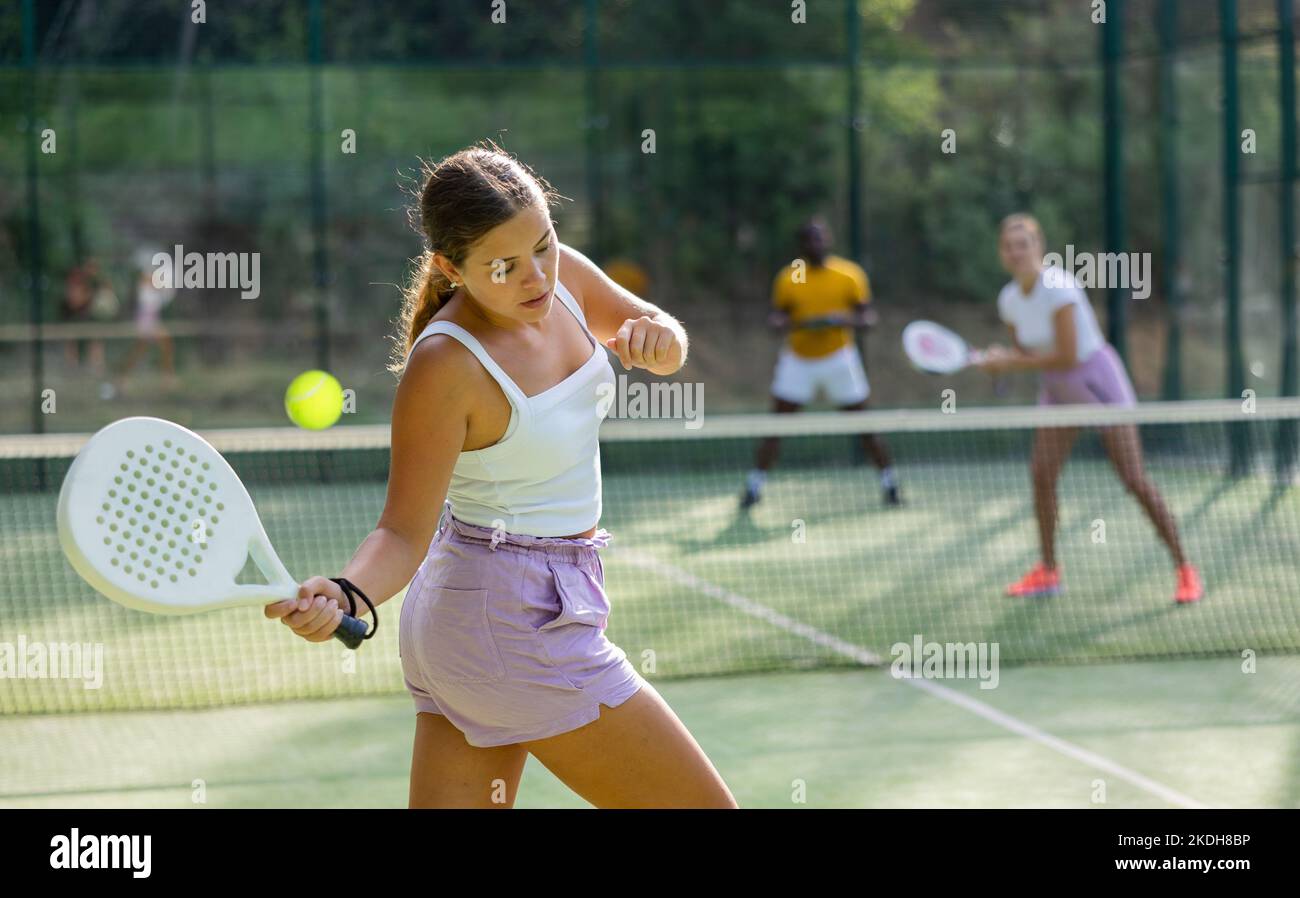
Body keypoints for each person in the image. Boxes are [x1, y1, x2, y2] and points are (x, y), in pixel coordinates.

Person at [265, 142, 737, 809]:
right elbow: (402, 533)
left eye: (543, 245)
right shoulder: (446, 368)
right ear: (450, 269)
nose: (536, 278)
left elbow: (655, 329)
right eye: (505, 267)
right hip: (510, 622)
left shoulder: (564, 276)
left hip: (484, 620)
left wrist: (662, 342)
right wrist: (347, 595)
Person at [975, 213, 1203, 604]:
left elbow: (1065, 355)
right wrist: (998, 361)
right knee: (1042, 474)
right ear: (1001, 253)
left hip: (1096, 380)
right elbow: (1027, 354)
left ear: (1039, 247)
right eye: (1008, 246)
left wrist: (1011, 363)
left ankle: (1185, 569)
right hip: (1058, 389)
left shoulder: (1060, 288)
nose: (1016, 252)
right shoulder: (1009, 299)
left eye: (1023, 244)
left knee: (1133, 478)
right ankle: (1048, 571)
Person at [741, 217, 900, 509]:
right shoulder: (789, 278)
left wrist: (843, 320)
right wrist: (783, 323)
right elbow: (777, 318)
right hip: (798, 361)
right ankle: (754, 487)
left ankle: (890, 485)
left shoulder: (849, 275)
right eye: (809, 240)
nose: (816, 244)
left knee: (865, 425)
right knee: (776, 427)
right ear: (801, 245)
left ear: (829, 240)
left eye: (820, 238)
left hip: (840, 360)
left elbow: (868, 318)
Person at [114, 250, 178, 393]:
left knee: (143, 349)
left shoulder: (152, 278)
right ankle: (167, 378)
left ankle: (122, 376)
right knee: (163, 344)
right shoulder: (147, 278)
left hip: (152, 315)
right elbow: (153, 285)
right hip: (146, 316)